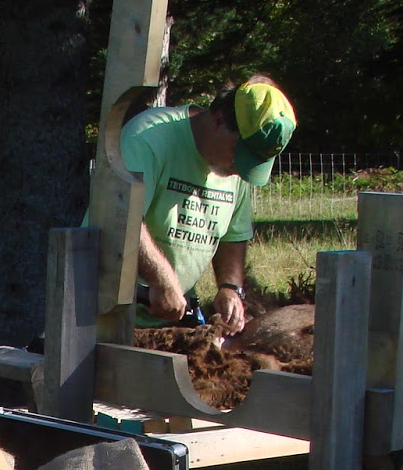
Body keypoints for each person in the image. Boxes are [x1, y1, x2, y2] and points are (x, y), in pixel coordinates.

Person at [120, 74, 296, 333]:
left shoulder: (235, 168)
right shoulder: (148, 138)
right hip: (110, 316)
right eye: (240, 156)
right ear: (218, 120)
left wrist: (230, 287)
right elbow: (123, 216)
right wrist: (161, 280)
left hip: (171, 320)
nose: (240, 169)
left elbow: (233, 234)